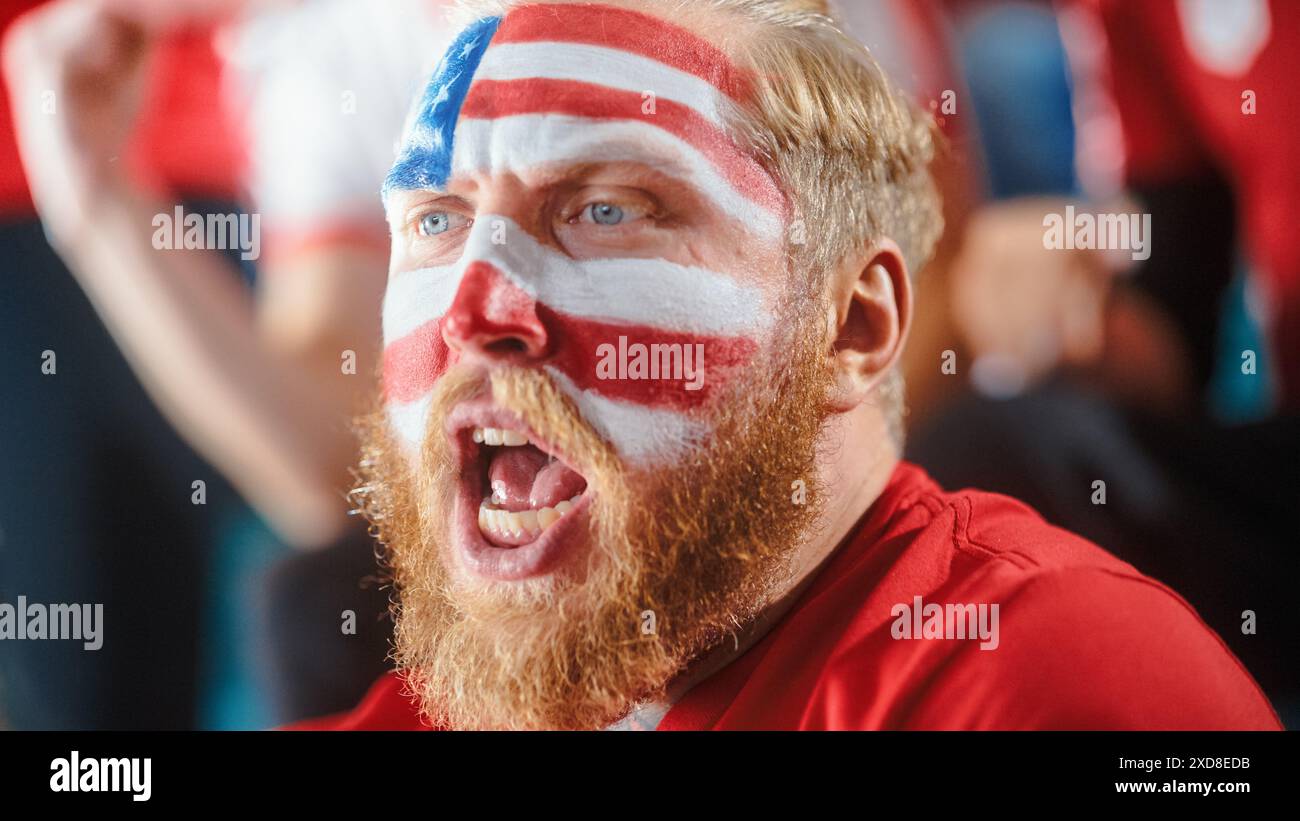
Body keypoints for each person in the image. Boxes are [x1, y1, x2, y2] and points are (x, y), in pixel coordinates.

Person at [293, 0, 1279, 730]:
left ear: (851, 324)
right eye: (437, 220)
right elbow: (1175, 305)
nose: (472, 312)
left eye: (606, 211)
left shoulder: (1048, 682)